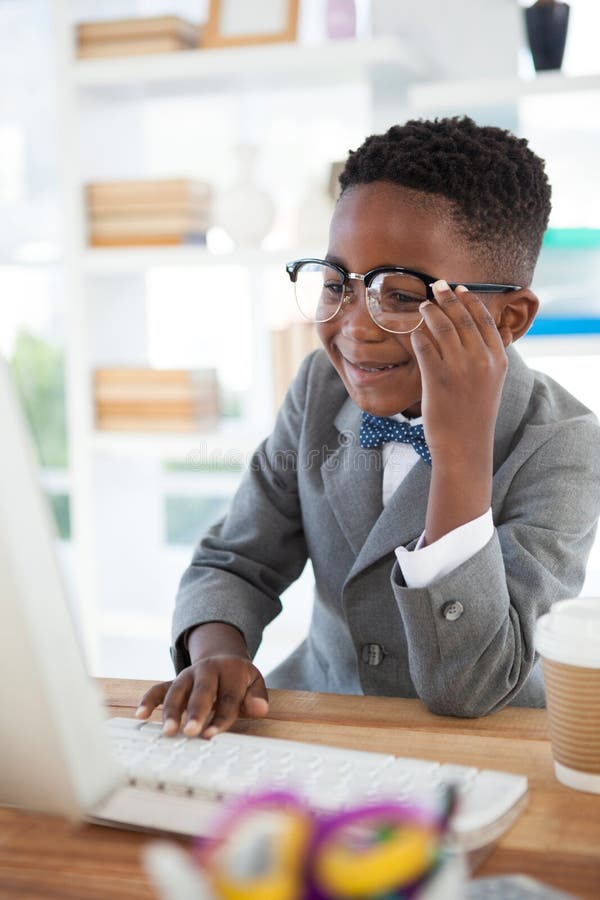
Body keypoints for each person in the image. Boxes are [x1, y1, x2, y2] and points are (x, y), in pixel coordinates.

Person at [136, 116, 600, 737]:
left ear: (510, 317)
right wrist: (219, 650)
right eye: (337, 284)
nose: (354, 326)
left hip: (482, 747)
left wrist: (459, 451)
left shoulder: (563, 443)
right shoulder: (320, 390)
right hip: (323, 717)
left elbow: (476, 684)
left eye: (402, 295)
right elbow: (237, 560)